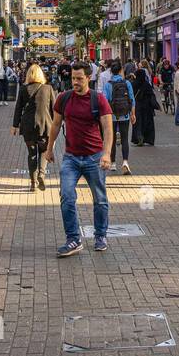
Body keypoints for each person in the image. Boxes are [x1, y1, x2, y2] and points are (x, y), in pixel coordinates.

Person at [47, 63, 113, 257]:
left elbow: (108, 128)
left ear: (88, 78)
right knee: (66, 196)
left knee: (100, 200)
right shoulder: (64, 98)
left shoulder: (98, 100)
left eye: (79, 79)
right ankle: (73, 239)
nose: (75, 82)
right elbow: (56, 124)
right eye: (73, 78)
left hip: (94, 157)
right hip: (71, 158)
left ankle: (100, 235)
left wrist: (106, 153)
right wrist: (49, 149)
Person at [12, 63, 56, 190]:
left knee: (31, 153)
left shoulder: (23, 89)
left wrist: (15, 125)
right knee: (43, 151)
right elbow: (53, 109)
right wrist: (55, 124)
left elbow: (18, 108)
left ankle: (33, 182)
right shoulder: (48, 88)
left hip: (28, 125)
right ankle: (41, 174)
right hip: (44, 125)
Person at [103, 59, 136, 174]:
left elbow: (105, 102)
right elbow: (132, 99)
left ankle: (112, 163)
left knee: (111, 140)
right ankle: (125, 161)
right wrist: (133, 114)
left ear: (111, 72)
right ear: (121, 70)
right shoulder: (126, 83)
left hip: (112, 116)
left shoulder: (108, 85)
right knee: (125, 139)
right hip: (125, 115)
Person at [131, 58, 158, 147]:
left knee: (138, 123)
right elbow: (151, 94)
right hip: (147, 107)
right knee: (148, 122)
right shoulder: (147, 84)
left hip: (137, 105)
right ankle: (149, 138)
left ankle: (139, 137)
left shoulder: (134, 84)